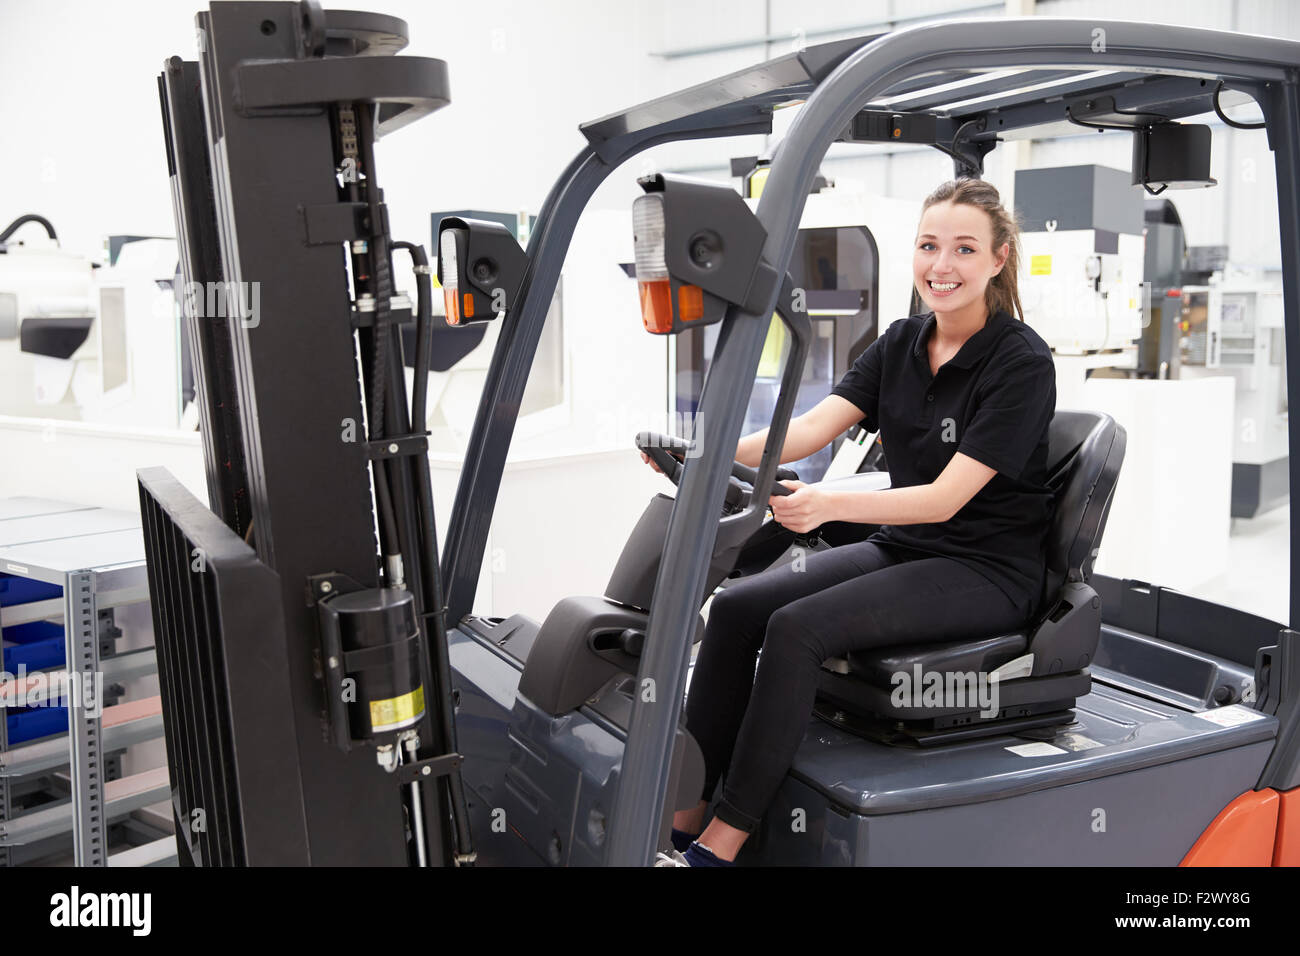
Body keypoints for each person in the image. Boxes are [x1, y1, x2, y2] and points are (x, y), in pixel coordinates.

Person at [646, 177, 1057, 867]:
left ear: (998, 258)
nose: (941, 266)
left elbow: (944, 499)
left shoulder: (1021, 362)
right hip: (908, 549)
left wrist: (827, 504)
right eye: (929, 246)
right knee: (739, 606)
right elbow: (806, 431)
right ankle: (683, 817)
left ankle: (722, 844)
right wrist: (706, 455)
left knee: (797, 629)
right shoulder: (901, 342)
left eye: (963, 248)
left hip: (985, 568)